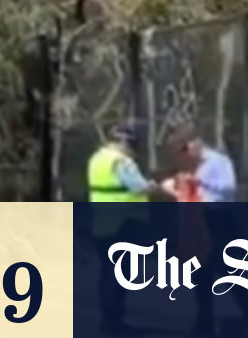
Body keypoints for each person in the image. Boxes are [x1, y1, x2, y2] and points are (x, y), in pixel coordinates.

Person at [171, 128, 248, 336]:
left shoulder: (218, 162)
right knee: (200, 269)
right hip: (198, 217)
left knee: (225, 266)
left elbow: (227, 190)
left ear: (197, 142)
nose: (185, 153)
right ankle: (204, 319)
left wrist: (199, 183)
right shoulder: (194, 165)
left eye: (186, 147)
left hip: (217, 217)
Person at [87, 122, 169, 335]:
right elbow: (138, 186)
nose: (133, 149)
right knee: (118, 276)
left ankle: (108, 320)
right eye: (132, 144)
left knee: (107, 273)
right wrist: (159, 186)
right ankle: (114, 323)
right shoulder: (121, 162)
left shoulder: (97, 158)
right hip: (123, 224)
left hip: (102, 222)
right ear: (124, 141)